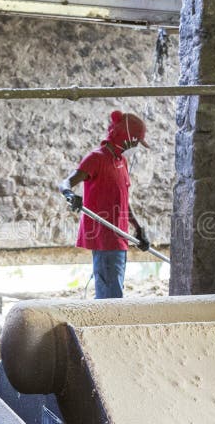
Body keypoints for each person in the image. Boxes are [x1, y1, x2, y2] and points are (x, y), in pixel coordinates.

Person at [59, 110, 151, 299]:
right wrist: (70, 195)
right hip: (104, 238)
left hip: (120, 237)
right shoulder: (96, 158)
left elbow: (123, 200)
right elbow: (65, 183)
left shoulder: (121, 161)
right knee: (111, 300)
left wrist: (138, 228)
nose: (136, 146)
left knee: (112, 295)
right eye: (136, 141)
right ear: (126, 137)